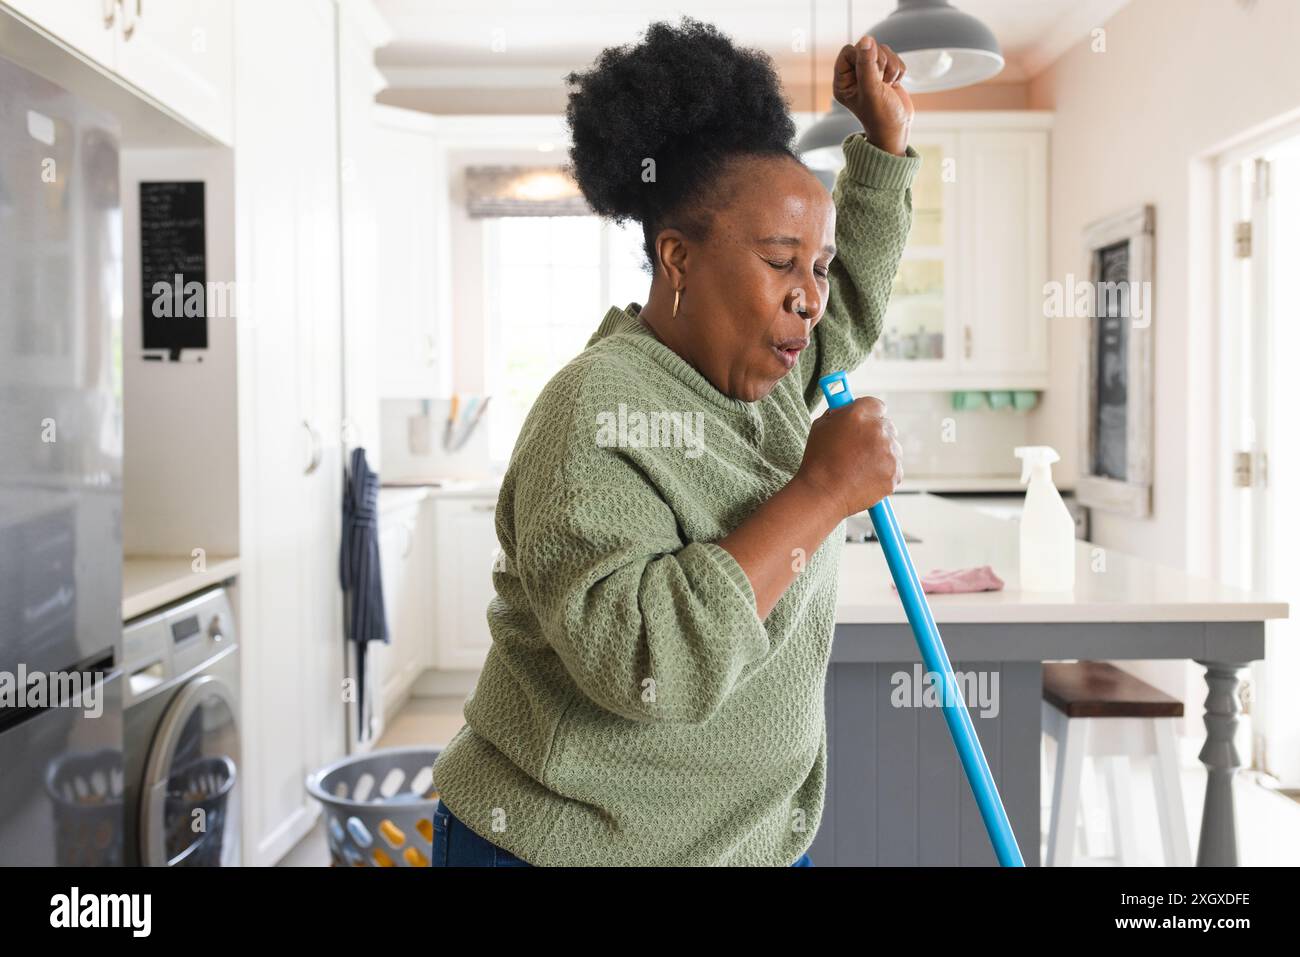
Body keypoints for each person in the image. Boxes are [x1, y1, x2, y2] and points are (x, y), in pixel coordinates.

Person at [431, 16, 916, 867]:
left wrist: (882, 143)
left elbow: (856, 294)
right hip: (565, 845)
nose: (809, 297)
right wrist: (820, 493)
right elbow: (646, 661)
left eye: (818, 265)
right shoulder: (594, 408)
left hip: (744, 843)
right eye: (779, 260)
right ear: (678, 259)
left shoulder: (769, 381)